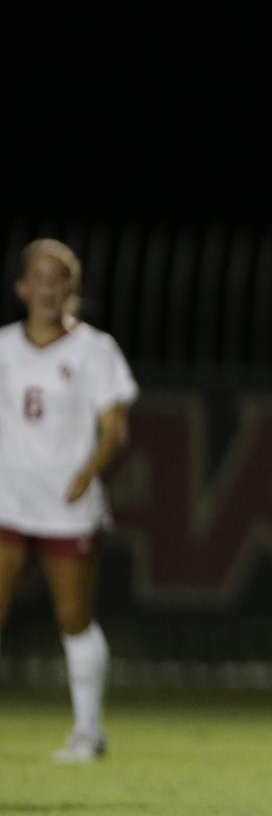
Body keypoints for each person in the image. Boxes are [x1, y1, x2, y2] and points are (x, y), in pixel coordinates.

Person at [0, 238, 137, 763]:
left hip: (65, 502)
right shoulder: (6, 348)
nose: (47, 286)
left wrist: (87, 475)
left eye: (58, 277)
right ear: (21, 287)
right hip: (9, 499)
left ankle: (88, 731)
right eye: (38, 275)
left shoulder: (94, 350)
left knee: (74, 615)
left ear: (71, 289)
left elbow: (114, 428)